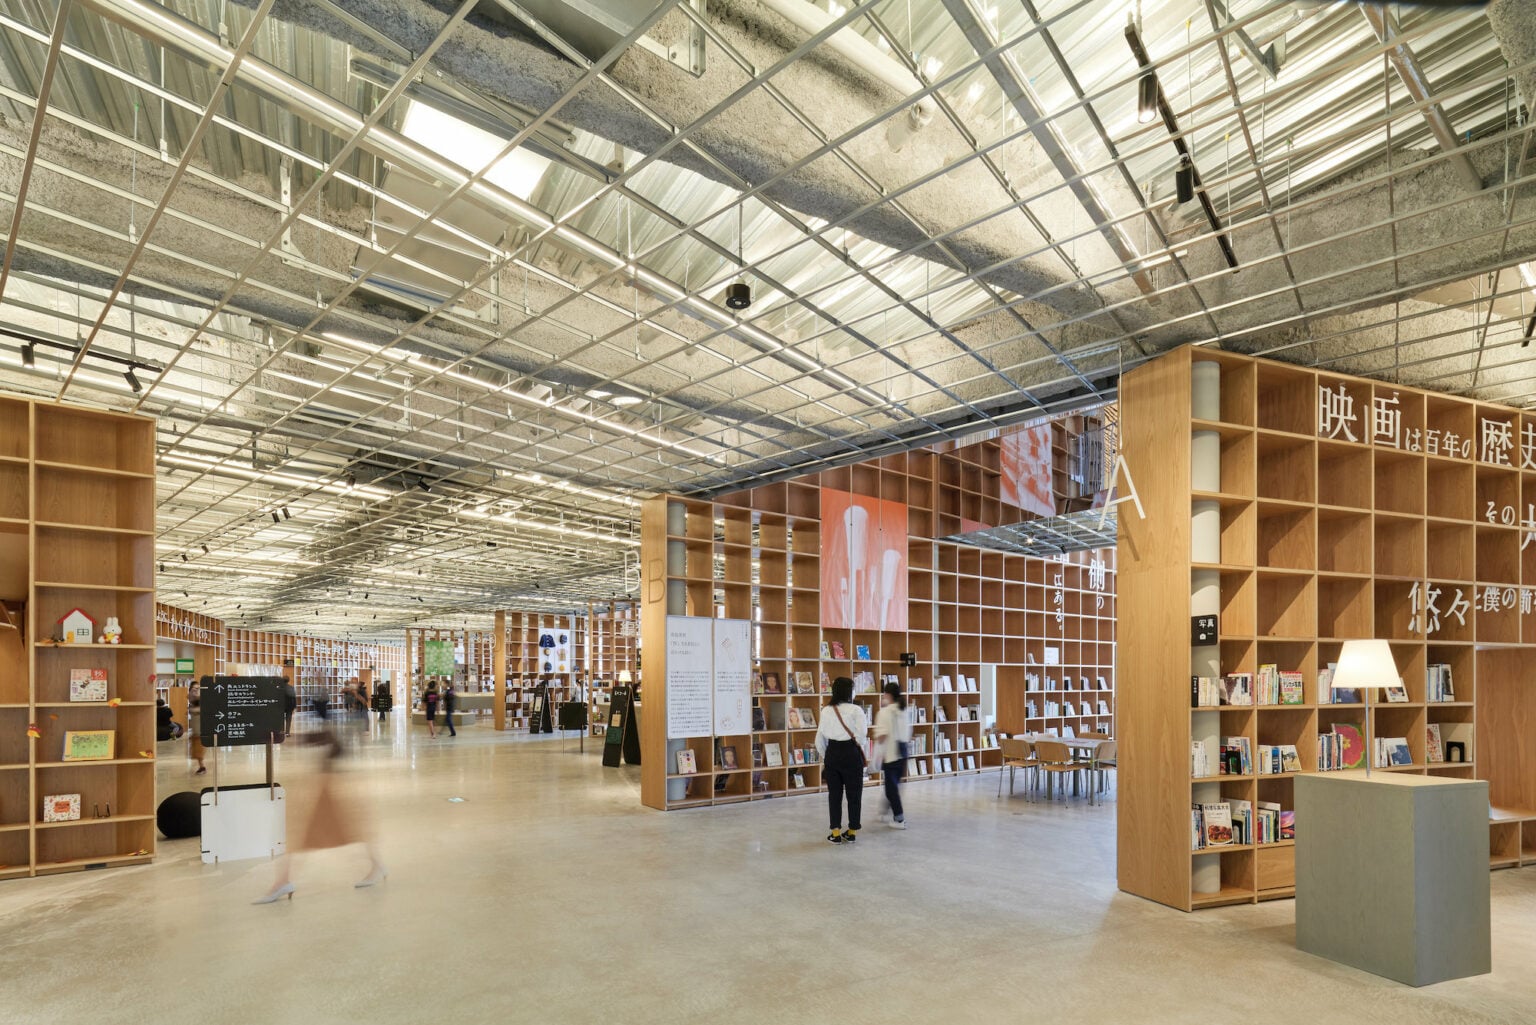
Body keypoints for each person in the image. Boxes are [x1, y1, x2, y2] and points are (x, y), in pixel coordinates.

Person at [253, 712, 386, 904]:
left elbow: (322, 739)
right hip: (326, 782)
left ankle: (282, 882)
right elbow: (323, 740)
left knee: (303, 834)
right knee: (341, 830)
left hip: (327, 784)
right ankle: (377, 865)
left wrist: (286, 738)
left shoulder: (324, 722)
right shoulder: (325, 722)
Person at [815, 676, 869, 844]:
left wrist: (827, 755)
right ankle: (852, 831)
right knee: (854, 794)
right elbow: (862, 735)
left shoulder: (826, 710)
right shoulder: (856, 710)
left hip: (832, 753)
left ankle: (835, 832)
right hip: (851, 753)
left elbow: (819, 738)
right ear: (849, 692)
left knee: (834, 795)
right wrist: (855, 746)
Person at [873, 681, 912, 829]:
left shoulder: (884, 712)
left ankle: (899, 819)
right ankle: (883, 811)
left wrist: (877, 752)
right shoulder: (904, 710)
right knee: (893, 785)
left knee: (891, 788)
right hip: (903, 752)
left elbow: (881, 736)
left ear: (887, 695)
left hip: (890, 753)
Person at [188, 678, 208, 775]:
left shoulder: (201, 703)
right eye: (193, 689)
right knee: (196, 752)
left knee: (198, 752)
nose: (195, 691)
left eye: (198, 689)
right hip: (196, 732)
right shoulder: (192, 701)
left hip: (200, 732)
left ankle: (202, 767)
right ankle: (201, 766)